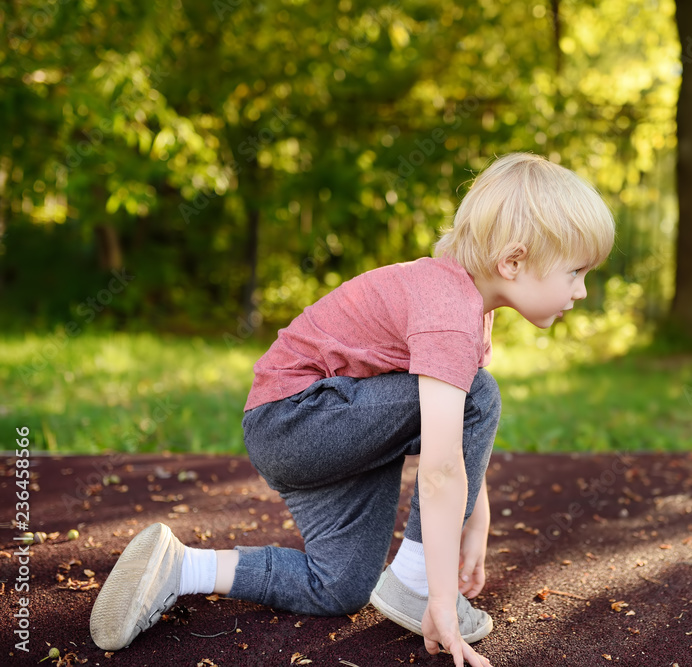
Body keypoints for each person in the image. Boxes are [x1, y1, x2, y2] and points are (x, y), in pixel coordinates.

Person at [89, 152, 615, 666]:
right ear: (514, 261)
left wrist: (476, 518)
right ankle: (410, 579)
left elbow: (453, 437)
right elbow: (439, 465)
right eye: (575, 272)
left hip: (323, 428)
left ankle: (181, 568)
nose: (582, 290)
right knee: (482, 392)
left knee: (339, 587)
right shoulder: (449, 310)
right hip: (298, 418)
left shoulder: (463, 306)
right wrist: (435, 595)